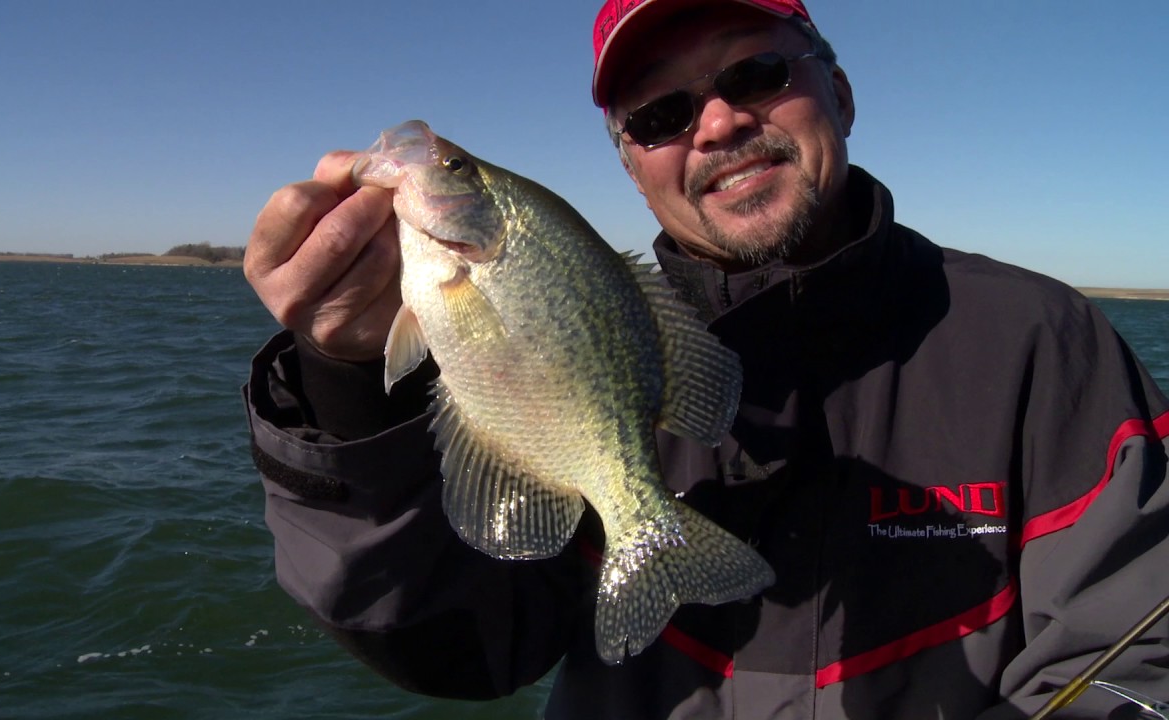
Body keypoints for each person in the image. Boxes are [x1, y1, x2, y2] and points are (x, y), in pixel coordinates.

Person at [241, 0, 1169, 717]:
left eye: (757, 73)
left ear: (841, 95)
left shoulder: (1042, 339)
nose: (718, 124)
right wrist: (345, 383)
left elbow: (1137, 653)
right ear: (632, 166)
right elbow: (461, 649)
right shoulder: (609, 337)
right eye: (661, 113)